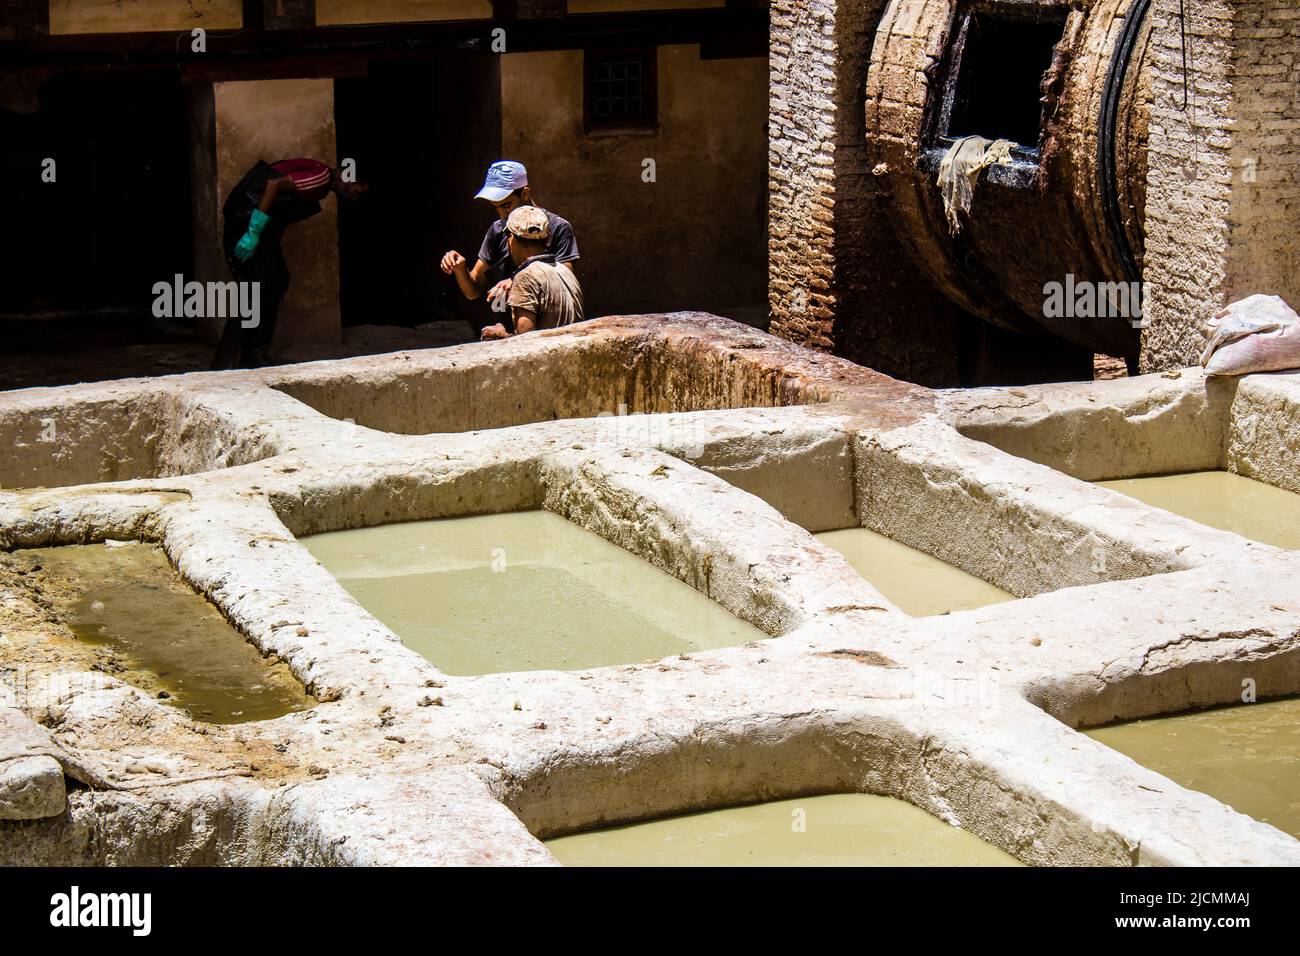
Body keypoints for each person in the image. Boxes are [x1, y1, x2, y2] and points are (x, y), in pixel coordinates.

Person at [212, 158, 366, 369]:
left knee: (275, 282)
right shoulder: (320, 178)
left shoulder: (319, 178)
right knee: (253, 291)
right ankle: (223, 365)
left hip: (258, 230)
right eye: (357, 191)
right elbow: (273, 185)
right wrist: (254, 232)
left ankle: (254, 355)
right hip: (248, 224)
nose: (354, 198)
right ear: (348, 176)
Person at [439, 161, 578, 317]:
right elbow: (473, 291)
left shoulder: (559, 228)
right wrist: (460, 268)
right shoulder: (497, 230)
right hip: (508, 330)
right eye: (496, 207)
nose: (502, 214)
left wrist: (518, 281)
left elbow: (565, 280)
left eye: (506, 206)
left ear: (525, 194)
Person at [480, 206, 583, 340]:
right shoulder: (565, 271)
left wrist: (499, 333)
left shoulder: (525, 278)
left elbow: (526, 343)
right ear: (547, 239)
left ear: (511, 240)